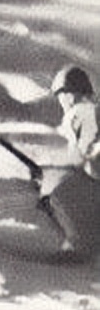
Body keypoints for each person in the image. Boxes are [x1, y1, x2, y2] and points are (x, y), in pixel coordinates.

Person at [42, 65, 100, 256]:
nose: (61, 103)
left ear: (69, 95)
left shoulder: (79, 113)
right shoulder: (93, 110)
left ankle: (77, 245)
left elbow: (83, 151)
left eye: (60, 97)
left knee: (53, 192)